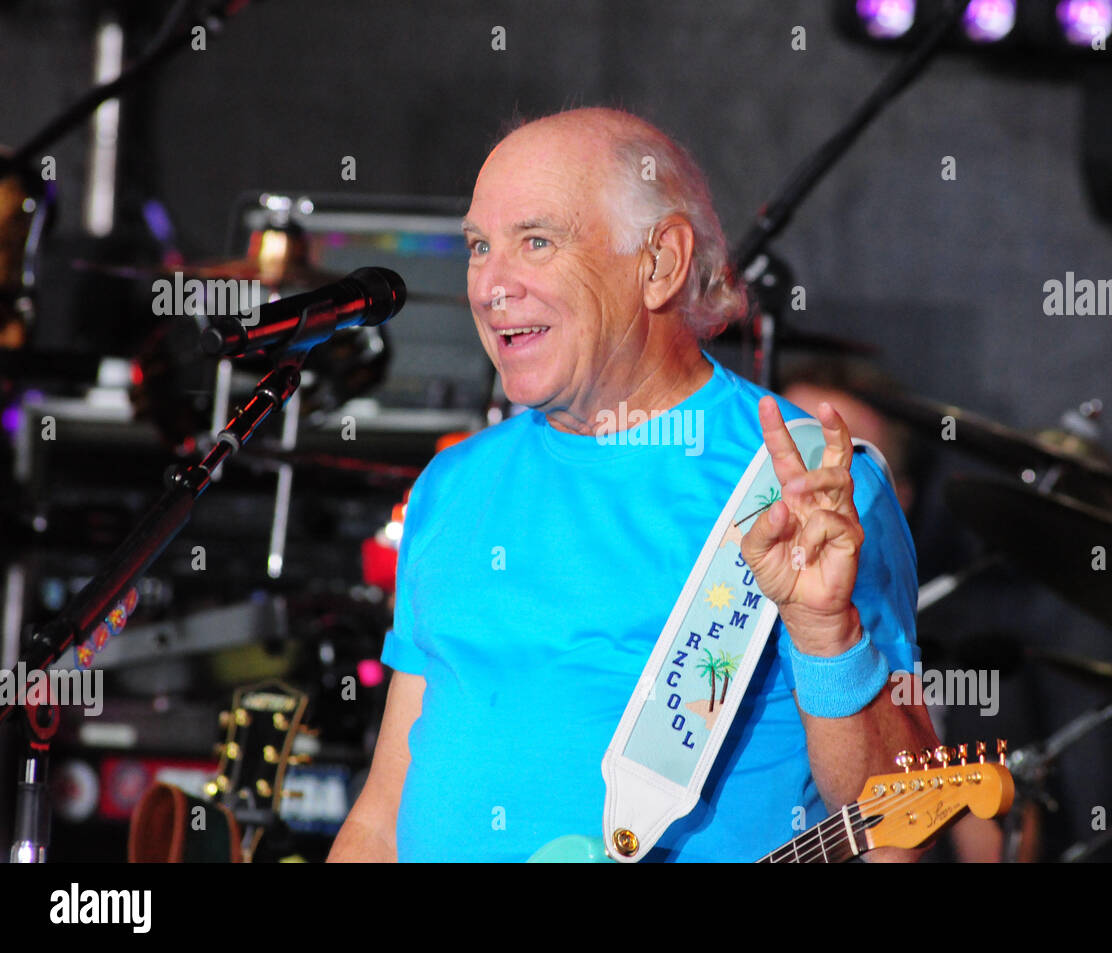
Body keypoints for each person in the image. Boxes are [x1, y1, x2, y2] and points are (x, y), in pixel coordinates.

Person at [328, 107, 939, 863]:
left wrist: (828, 635)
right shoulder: (453, 482)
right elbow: (383, 816)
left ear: (660, 263)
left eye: (537, 242)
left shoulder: (800, 484)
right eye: (480, 246)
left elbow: (897, 824)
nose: (489, 285)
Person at [779, 355, 1004, 863]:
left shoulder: (962, 649)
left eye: (845, 462)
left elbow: (991, 847)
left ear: (897, 496)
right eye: (794, 451)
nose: (809, 484)